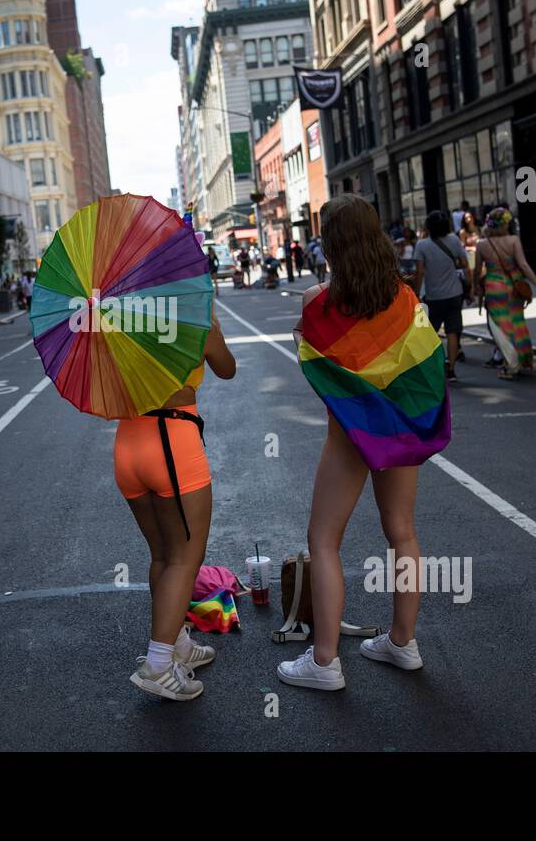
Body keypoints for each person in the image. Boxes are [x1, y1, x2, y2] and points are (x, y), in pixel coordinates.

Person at [276, 195, 445, 691]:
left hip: (347, 438)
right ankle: (402, 642)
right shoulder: (405, 299)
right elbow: (424, 369)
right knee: (403, 534)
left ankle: (325, 661)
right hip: (396, 432)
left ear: (329, 243)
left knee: (324, 540)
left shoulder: (316, 301)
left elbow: (322, 375)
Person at [120, 308, 236, 701]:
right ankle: (156, 664)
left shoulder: (122, 319)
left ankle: (177, 643)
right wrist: (211, 322)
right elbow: (227, 368)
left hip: (128, 444)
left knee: (163, 555)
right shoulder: (194, 316)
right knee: (185, 559)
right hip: (173, 442)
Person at [473, 208, 536, 378]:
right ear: (506, 224)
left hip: (494, 288)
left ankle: (511, 363)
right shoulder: (514, 240)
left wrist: (475, 288)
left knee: (499, 327)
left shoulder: (481, 244)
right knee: (516, 323)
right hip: (513, 287)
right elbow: (523, 265)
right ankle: (522, 359)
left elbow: (478, 269)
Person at [413, 211, 472, 382]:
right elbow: (465, 266)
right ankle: (451, 369)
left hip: (434, 296)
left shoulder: (422, 245)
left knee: (430, 334)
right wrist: (470, 287)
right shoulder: (454, 240)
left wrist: (416, 294)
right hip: (455, 294)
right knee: (453, 331)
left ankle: (436, 366)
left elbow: (419, 272)